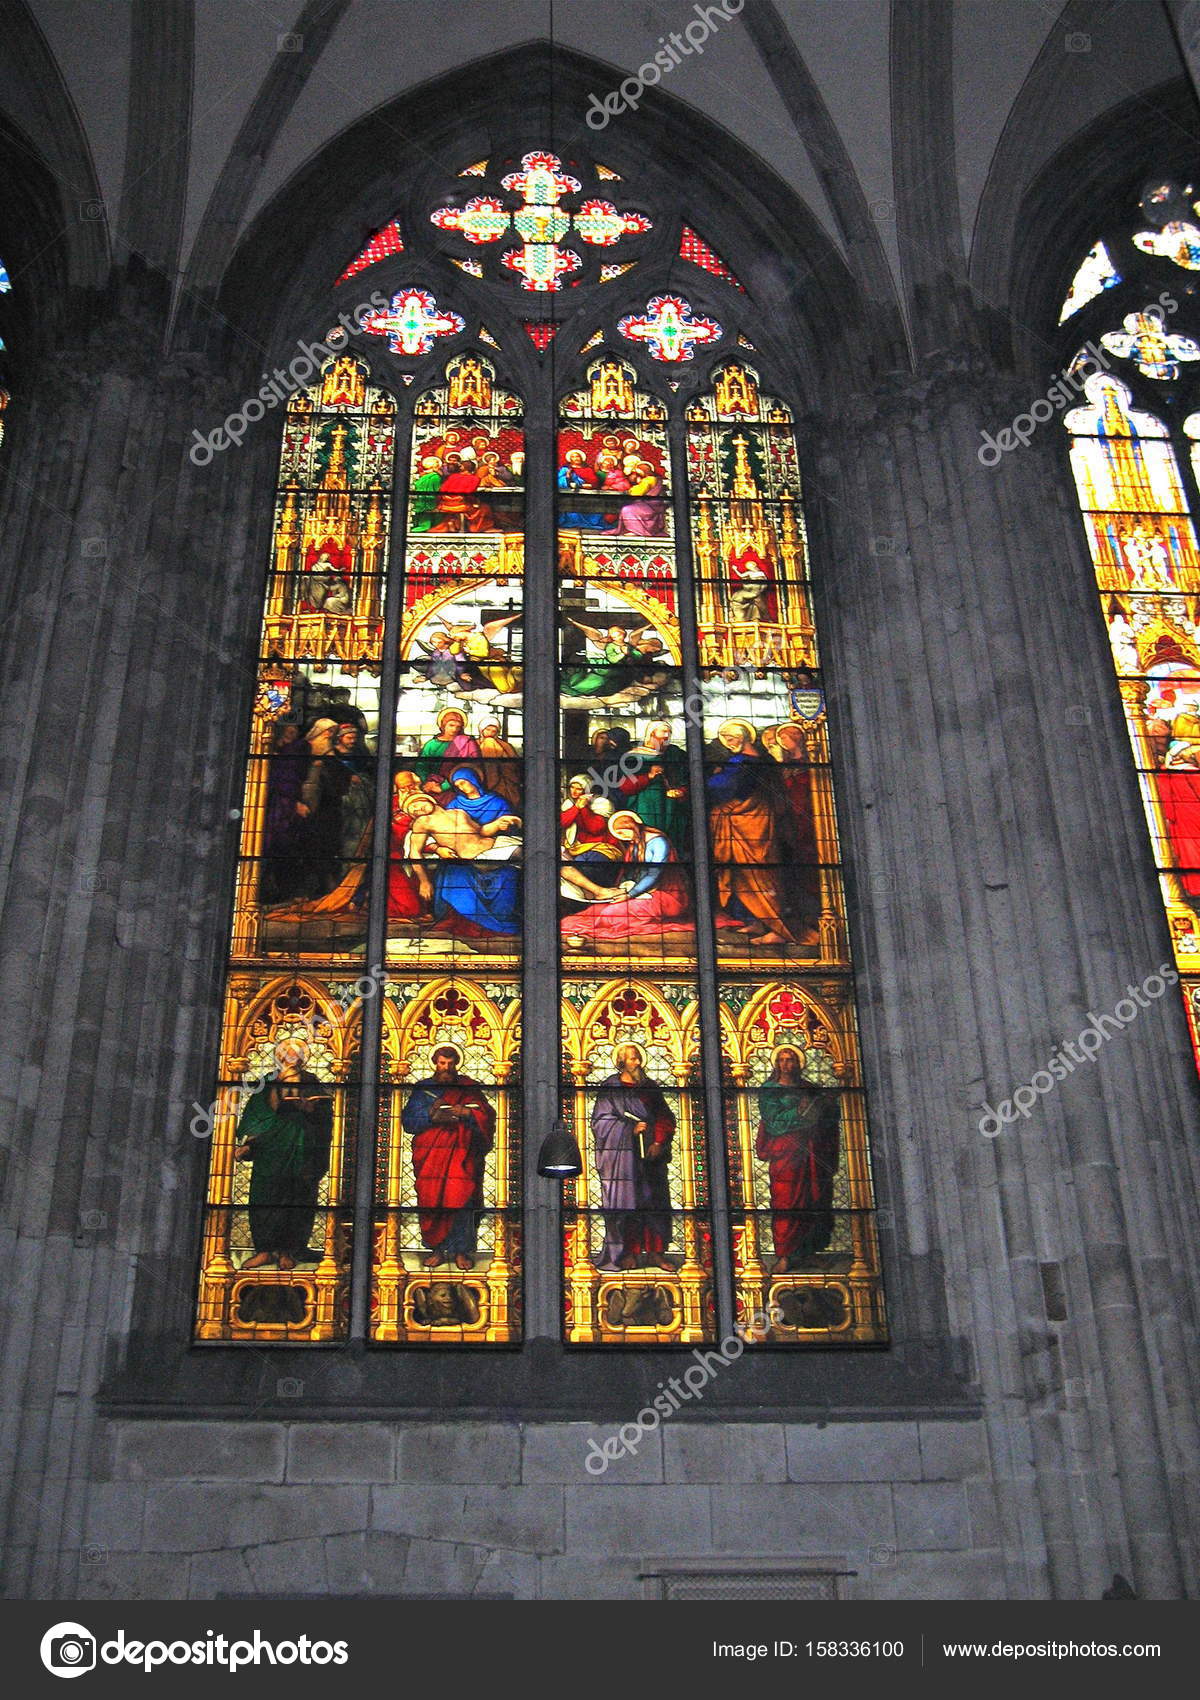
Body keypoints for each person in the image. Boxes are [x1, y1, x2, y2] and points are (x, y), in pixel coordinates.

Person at [234, 1041, 333, 1271]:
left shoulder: (311, 1082)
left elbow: (325, 1115)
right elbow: (257, 1115)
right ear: (280, 1057)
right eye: (287, 1053)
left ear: (302, 1058)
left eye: (296, 1054)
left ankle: (290, 1250)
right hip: (270, 1150)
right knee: (265, 1196)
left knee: (297, 1196)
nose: (291, 1057)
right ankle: (265, 1251)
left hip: (301, 1146)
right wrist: (249, 1144)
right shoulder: (268, 1082)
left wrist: (311, 1109)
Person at [402, 1046, 496, 1270]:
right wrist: (431, 1114)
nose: (446, 1068)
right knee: (431, 1200)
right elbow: (409, 1121)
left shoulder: (469, 1087)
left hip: (461, 1154)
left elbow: (488, 1114)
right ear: (435, 1063)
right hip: (431, 1156)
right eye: (442, 1063)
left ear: (456, 1064)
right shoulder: (423, 1089)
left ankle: (461, 1250)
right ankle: (437, 1249)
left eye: (451, 1063)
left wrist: (468, 1113)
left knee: (461, 1197)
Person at [706, 719, 796, 946]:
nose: (729, 743)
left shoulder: (744, 762)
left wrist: (715, 777)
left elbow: (724, 787)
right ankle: (754, 920)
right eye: (726, 740)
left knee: (759, 873)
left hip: (753, 822)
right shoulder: (759, 761)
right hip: (745, 820)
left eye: (731, 738)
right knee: (741, 873)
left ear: (743, 737)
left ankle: (777, 928)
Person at [754, 1046, 841, 1271]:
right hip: (786, 1154)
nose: (786, 1064)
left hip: (812, 1152)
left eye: (791, 1059)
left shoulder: (809, 1089)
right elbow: (773, 1121)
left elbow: (828, 1117)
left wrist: (828, 1105)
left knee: (814, 1200)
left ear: (799, 1064)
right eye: (782, 1060)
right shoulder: (770, 1091)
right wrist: (801, 1114)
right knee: (786, 1202)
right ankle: (784, 1255)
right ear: (776, 1064)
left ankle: (809, 1252)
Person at [590, 1043, 676, 1270]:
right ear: (621, 1062)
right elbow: (600, 1122)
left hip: (652, 1158)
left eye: (638, 1058)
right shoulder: (610, 1088)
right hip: (623, 1160)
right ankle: (628, 1252)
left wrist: (658, 1141)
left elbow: (665, 1117)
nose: (637, 1062)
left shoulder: (650, 1087)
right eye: (632, 1059)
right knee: (629, 1203)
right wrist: (629, 1129)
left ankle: (656, 1253)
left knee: (655, 1203)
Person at [407, 773, 522, 935]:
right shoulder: (422, 822)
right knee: (522, 856)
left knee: (528, 854)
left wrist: (498, 824)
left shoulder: (458, 812)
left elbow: (481, 831)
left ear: (428, 799)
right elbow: (414, 852)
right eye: (412, 811)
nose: (417, 809)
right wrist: (424, 881)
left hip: (494, 847)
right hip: (477, 858)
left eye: (416, 804)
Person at [560, 811, 690, 943]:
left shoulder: (659, 842)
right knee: (593, 912)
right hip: (639, 892)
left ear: (630, 825)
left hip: (666, 896)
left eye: (622, 832)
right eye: (618, 835)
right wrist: (621, 890)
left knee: (610, 914)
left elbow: (654, 874)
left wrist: (630, 894)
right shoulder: (635, 845)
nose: (622, 837)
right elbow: (630, 875)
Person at [617, 720, 688, 849]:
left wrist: (682, 791)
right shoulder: (633, 757)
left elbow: (686, 778)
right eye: (663, 734)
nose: (666, 737)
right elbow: (625, 786)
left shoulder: (674, 754)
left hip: (670, 807)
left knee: (672, 840)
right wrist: (649, 776)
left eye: (668, 735)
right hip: (645, 806)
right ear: (651, 734)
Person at [429, 449, 495, 532]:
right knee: (485, 508)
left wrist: (446, 499)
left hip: (446, 505)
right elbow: (469, 493)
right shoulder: (474, 479)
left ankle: (453, 523)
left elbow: (442, 490)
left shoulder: (453, 476)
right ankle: (476, 528)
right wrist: (474, 502)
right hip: (461, 505)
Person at [417, 708, 482, 785]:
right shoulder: (431, 744)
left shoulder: (468, 742)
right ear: (443, 725)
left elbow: (474, 766)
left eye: (458, 726)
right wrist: (426, 783)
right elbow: (421, 766)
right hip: (431, 783)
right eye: (451, 725)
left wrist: (445, 786)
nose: (454, 729)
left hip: (460, 784)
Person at [609, 458, 667, 537]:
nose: (637, 474)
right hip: (648, 505)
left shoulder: (649, 480)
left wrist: (631, 489)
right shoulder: (650, 479)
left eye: (638, 471)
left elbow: (637, 493)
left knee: (627, 509)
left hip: (650, 507)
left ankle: (637, 531)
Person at [477, 720, 521, 807]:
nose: (490, 733)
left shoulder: (505, 746)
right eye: (488, 730)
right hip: (480, 777)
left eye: (494, 731)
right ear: (482, 730)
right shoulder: (474, 744)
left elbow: (514, 764)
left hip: (503, 780)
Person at [409, 455, 443, 533]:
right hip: (428, 502)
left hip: (417, 500)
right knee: (425, 524)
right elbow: (437, 491)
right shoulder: (435, 477)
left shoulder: (421, 476)